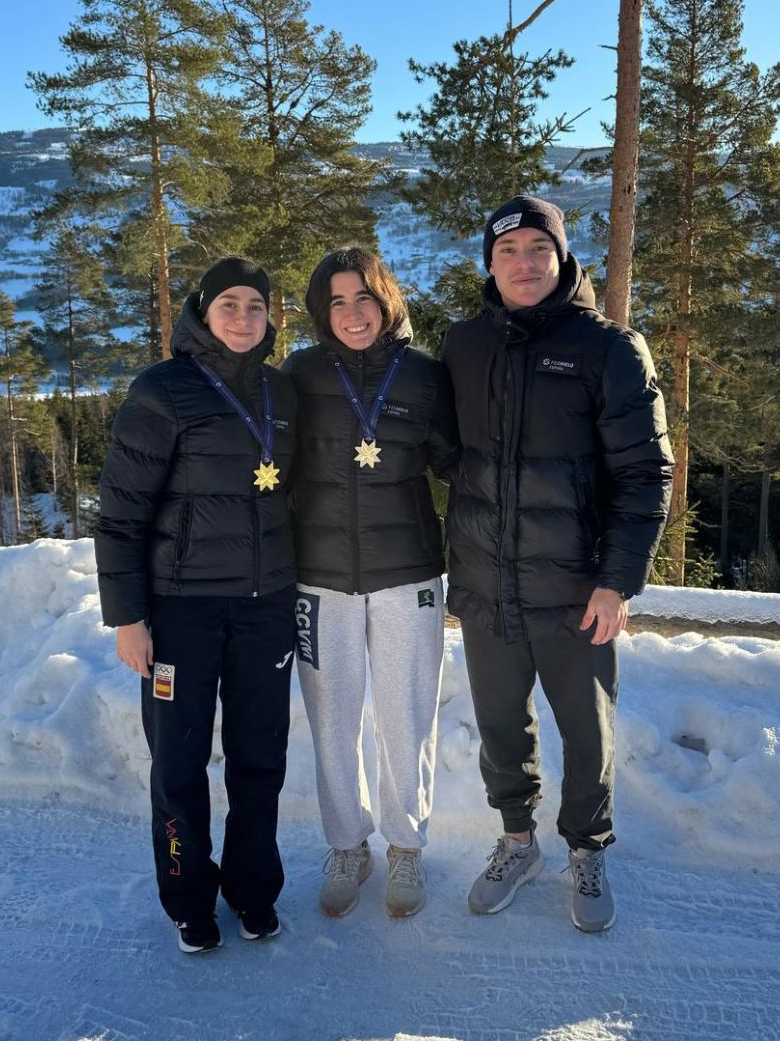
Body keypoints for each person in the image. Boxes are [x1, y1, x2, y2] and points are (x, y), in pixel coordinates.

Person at [442, 196, 672, 933]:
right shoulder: (464, 346)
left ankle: (586, 846)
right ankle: (517, 842)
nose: (523, 264)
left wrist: (617, 580)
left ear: (563, 257)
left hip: (577, 590)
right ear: (490, 262)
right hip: (485, 587)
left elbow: (645, 474)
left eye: (538, 249)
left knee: (586, 733)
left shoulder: (609, 348)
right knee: (501, 726)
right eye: (508, 252)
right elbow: (443, 454)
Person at [94, 257, 298, 954]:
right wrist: (126, 617)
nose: (243, 317)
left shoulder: (282, 392)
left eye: (256, 305)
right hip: (181, 612)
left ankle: (253, 891)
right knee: (179, 764)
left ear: (271, 317)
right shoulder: (163, 390)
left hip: (266, 606)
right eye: (228, 305)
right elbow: (120, 514)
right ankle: (189, 898)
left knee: (259, 759)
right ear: (201, 313)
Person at [282, 247, 459, 920]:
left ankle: (406, 848)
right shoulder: (298, 375)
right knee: (332, 715)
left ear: (386, 300)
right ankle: (348, 845)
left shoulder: (423, 376)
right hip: (318, 576)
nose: (352, 313)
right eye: (337, 301)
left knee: (405, 714)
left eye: (364, 298)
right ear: (320, 311)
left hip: (407, 572)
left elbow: (458, 466)